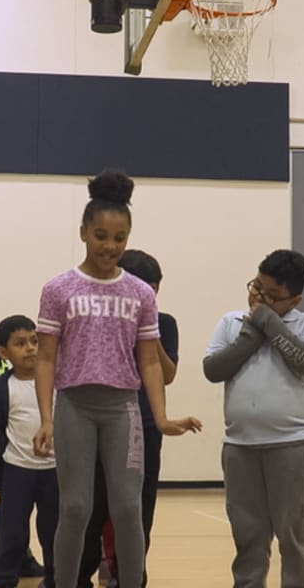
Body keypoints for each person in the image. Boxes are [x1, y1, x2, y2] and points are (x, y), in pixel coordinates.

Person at [33, 171, 201, 588]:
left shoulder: (140, 294)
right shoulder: (59, 289)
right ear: (84, 233)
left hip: (123, 409)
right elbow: (46, 357)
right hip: (74, 407)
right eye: (101, 236)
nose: (109, 246)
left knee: (127, 508)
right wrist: (47, 418)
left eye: (119, 238)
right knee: (75, 508)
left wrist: (161, 419)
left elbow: (149, 362)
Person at [203, 250, 304, 588]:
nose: (258, 297)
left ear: (295, 298)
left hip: (293, 445)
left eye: (272, 295)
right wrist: (253, 332)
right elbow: (213, 369)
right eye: (257, 287)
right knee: (248, 538)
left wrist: (269, 322)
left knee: (294, 538)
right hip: (240, 446)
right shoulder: (231, 322)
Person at [78, 249, 180, 588]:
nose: (148, 298)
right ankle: (81, 573)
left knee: (138, 506)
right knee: (92, 505)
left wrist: (147, 333)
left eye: (155, 291)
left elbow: (167, 375)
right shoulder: (99, 316)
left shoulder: (164, 323)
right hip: (100, 422)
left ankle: (130, 574)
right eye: (143, 290)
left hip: (146, 426)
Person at [0, 315, 59, 588]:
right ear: (4, 352)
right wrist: (9, 452)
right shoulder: (1, 388)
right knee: (12, 532)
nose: (31, 348)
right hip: (17, 473)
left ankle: (54, 579)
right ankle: (5, 578)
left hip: (54, 473)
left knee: (53, 532)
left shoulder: (58, 383)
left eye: (34, 341)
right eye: (20, 343)